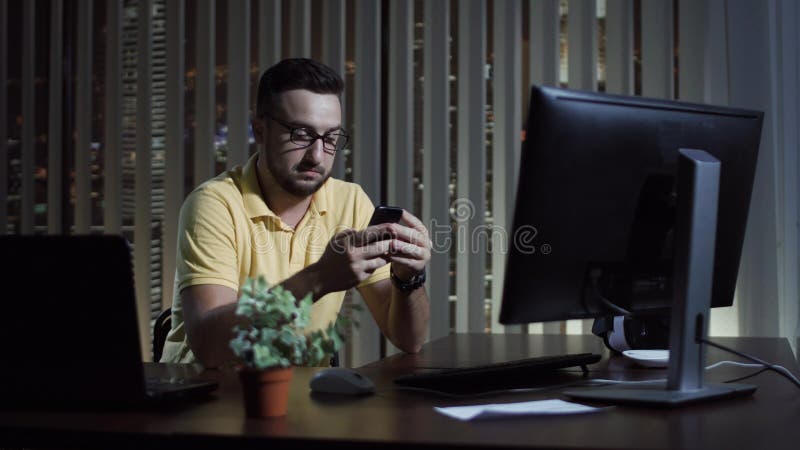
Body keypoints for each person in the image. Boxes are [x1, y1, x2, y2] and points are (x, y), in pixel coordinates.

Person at [160, 58, 431, 367]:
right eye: (301, 134)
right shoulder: (214, 205)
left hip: (304, 400)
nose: (317, 156)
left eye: (330, 138)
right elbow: (211, 348)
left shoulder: (350, 201)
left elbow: (411, 340)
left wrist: (409, 278)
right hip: (209, 400)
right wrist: (319, 278)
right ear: (259, 130)